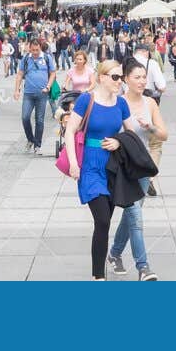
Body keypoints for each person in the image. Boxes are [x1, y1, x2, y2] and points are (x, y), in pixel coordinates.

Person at [63, 59, 134, 281]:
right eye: (115, 77)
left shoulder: (121, 103)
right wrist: (74, 163)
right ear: (102, 78)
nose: (119, 81)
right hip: (90, 166)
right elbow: (70, 131)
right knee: (102, 219)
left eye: (121, 77)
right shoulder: (86, 100)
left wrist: (119, 142)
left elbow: (131, 135)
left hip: (113, 167)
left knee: (104, 224)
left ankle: (98, 271)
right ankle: (98, 276)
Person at [108, 58, 166, 280]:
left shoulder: (150, 103)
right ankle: (143, 267)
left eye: (144, 77)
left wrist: (150, 127)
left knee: (131, 214)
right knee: (135, 215)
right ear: (125, 80)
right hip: (123, 167)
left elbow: (164, 135)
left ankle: (114, 253)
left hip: (142, 166)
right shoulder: (117, 102)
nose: (142, 81)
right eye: (137, 77)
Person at [15, 38, 52, 154]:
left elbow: (53, 73)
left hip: (42, 93)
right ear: (29, 48)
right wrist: (17, 90)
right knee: (25, 117)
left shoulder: (47, 57)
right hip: (28, 93)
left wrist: (48, 86)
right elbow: (20, 74)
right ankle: (30, 139)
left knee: (39, 120)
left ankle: (37, 145)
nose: (35, 52)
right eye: (33, 50)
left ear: (40, 47)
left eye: (37, 50)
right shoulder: (26, 58)